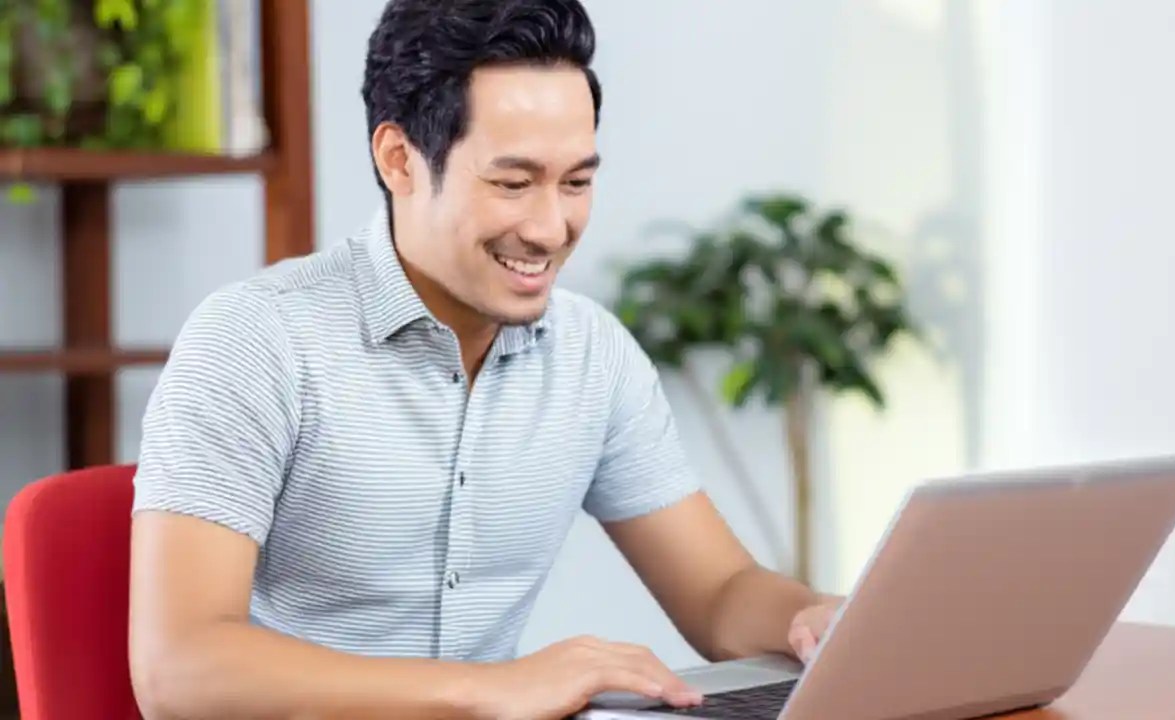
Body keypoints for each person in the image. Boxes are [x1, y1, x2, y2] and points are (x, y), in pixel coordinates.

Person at [127, 1, 842, 718]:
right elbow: (181, 670)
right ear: (399, 159)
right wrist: (494, 690)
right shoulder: (258, 339)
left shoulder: (592, 354)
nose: (550, 227)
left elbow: (720, 592)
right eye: (512, 183)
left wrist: (810, 619)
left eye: (576, 182)